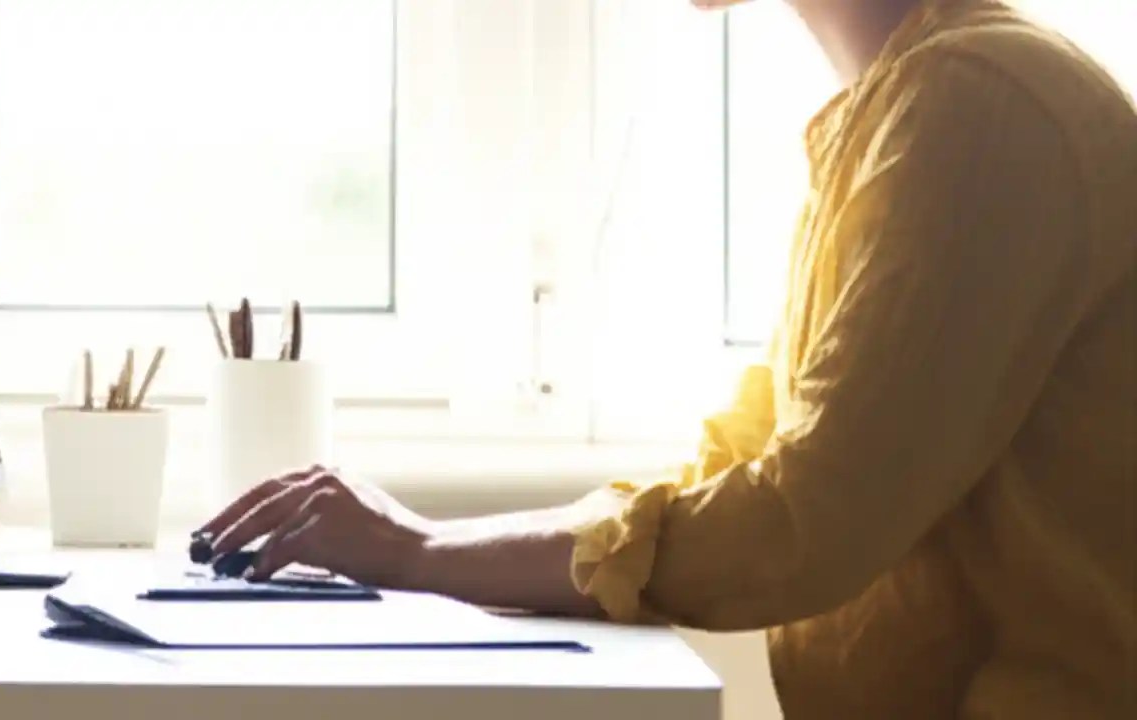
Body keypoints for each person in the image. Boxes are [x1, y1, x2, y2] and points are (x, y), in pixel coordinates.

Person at [199, 0, 1136, 717]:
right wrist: (416, 548)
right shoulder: (906, 114)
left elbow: (797, 524)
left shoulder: (980, 107)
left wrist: (420, 550)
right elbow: (730, 480)